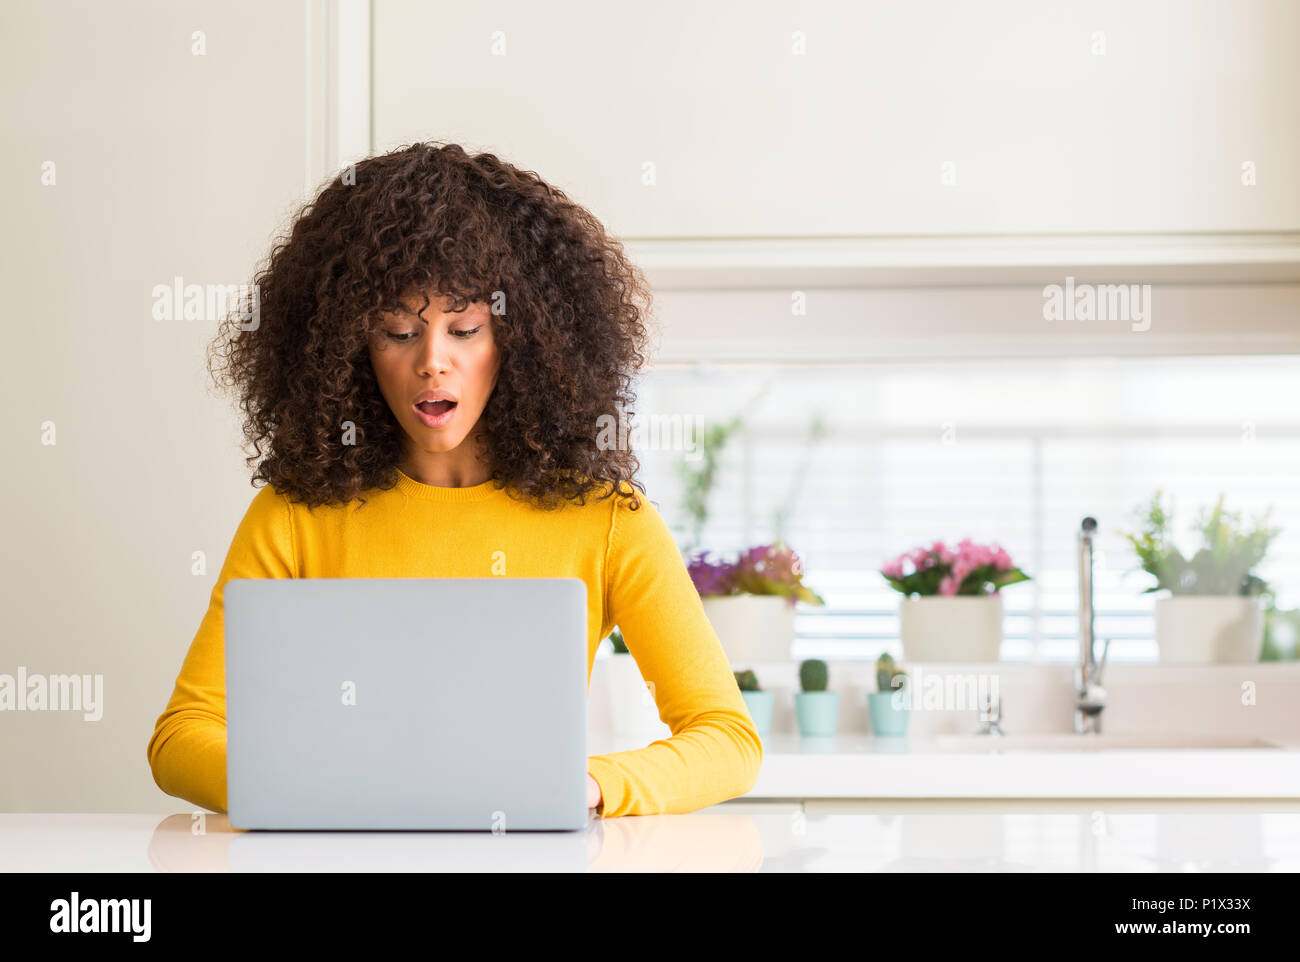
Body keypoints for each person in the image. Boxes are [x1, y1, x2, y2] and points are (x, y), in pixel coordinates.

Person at [146, 141, 762, 818]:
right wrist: (310, 788)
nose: (432, 362)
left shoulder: (608, 519)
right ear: (351, 351)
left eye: (464, 329)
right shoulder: (297, 514)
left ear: (521, 340)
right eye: (398, 331)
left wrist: (584, 786)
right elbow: (182, 738)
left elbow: (728, 740)